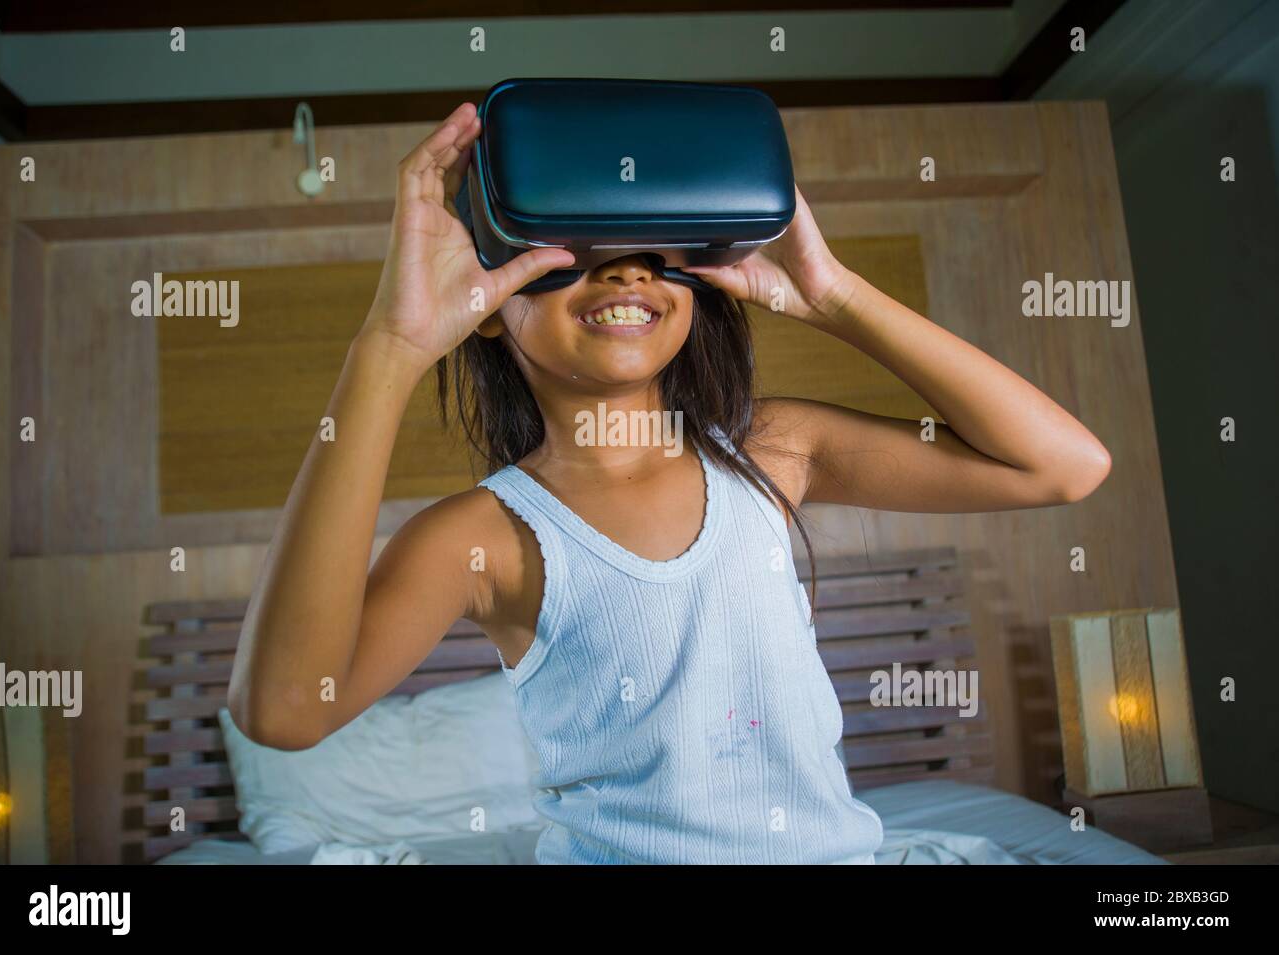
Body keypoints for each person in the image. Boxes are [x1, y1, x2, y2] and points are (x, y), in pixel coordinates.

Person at [228, 102, 1111, 864]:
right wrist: (392, 347)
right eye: (571, 246)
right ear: (493, 306)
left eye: (655, 244)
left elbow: (1064, 466)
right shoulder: (484, 536)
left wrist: (833, 293)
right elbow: (283, 713)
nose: (624, 267)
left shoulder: (774, 450)